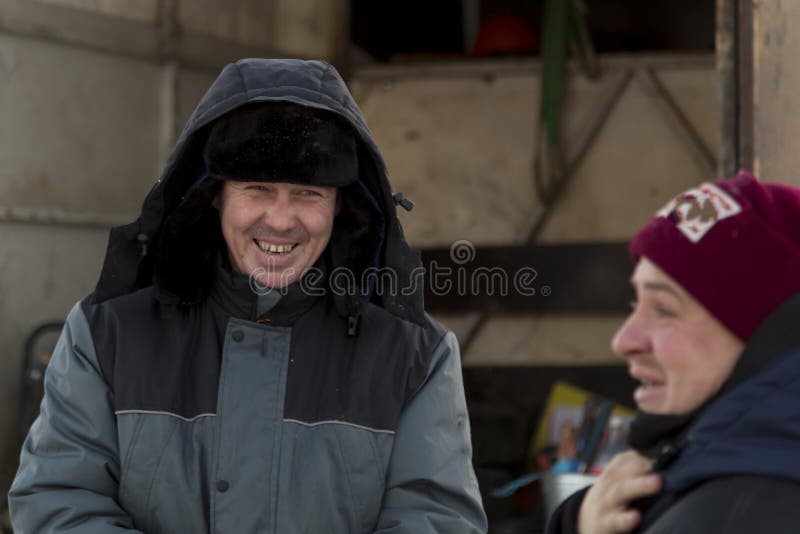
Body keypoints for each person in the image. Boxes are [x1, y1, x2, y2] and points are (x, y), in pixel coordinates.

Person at [8, 58, 487, 533]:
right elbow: (59, 499)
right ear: (214, 194)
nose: (280, 220)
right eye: (257, 189)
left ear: (342, 203)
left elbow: (438, 520)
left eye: (308, 193)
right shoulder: (106, 334)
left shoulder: (415, 356)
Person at [548, 172, 800, 534]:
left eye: (664, 309)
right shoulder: (715, 486)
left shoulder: (731, 515)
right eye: (635, 303)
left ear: (767, 335)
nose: (624, 340)